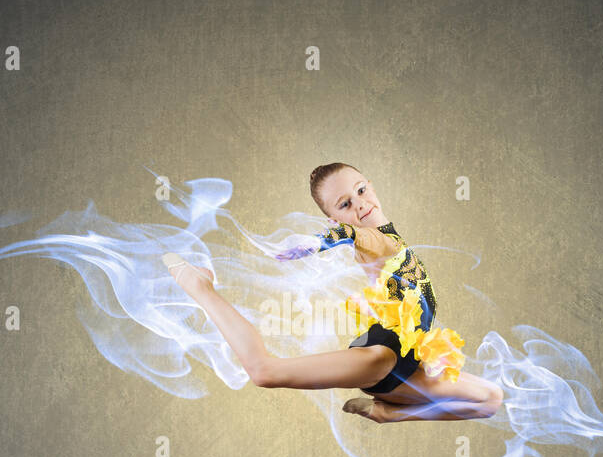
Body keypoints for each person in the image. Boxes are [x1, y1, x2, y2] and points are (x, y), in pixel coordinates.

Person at [163, 163, 502, 423]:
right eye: (344, 203)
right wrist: (318, 242)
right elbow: (353, 236)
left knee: (490, 401)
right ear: (333, 217)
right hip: (382, 358)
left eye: (361, 189)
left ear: (371, 183)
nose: (360, 203)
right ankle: (199, 287)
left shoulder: (390, 235)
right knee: (265, 372)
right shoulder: (374, 240)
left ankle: (389, 414)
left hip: (409, 366)